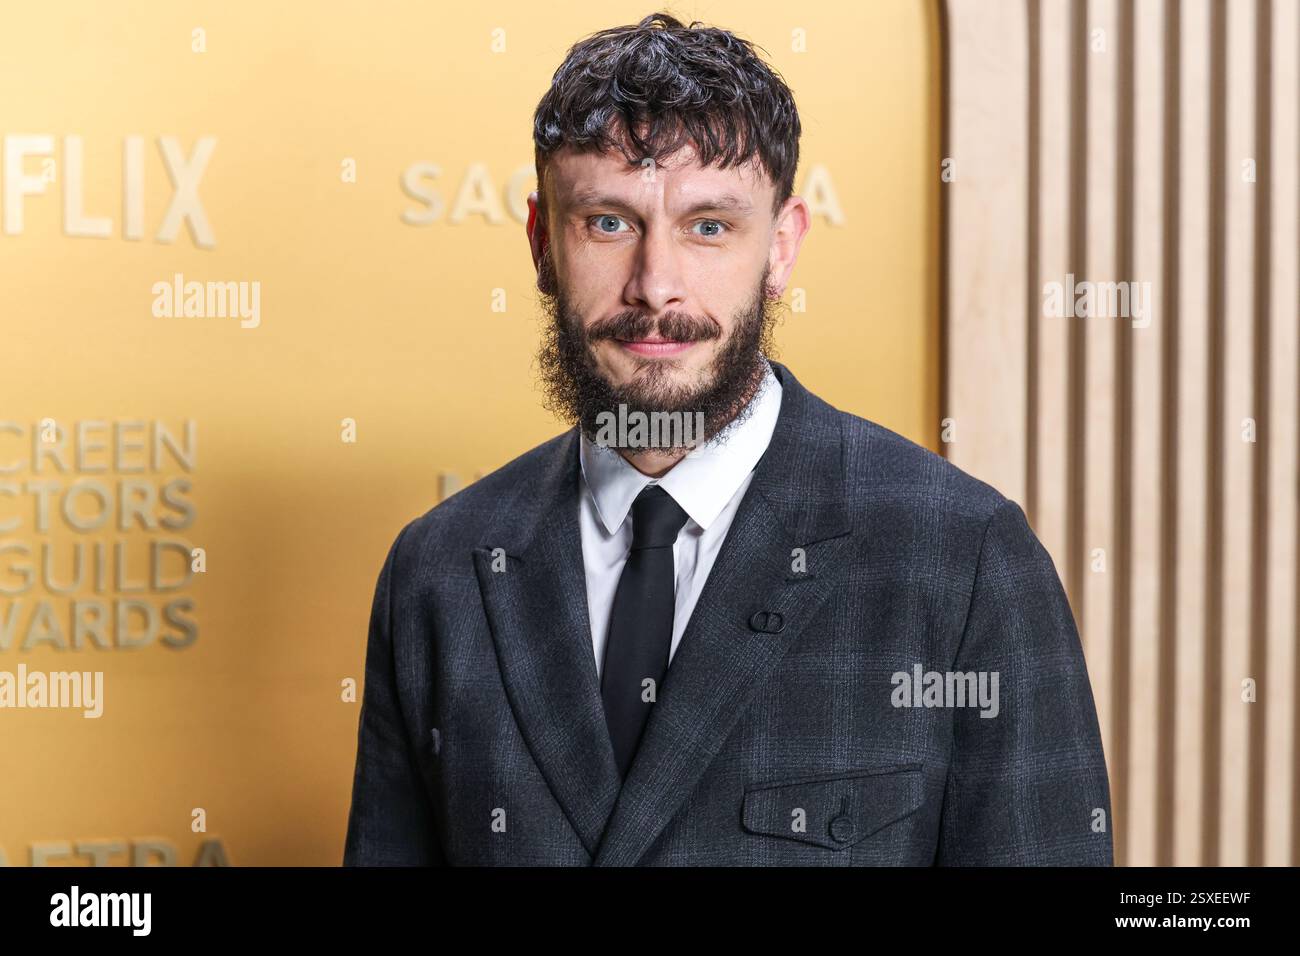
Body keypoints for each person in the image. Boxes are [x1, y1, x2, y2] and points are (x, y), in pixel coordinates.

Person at [343, 11, 1112, 866]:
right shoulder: (440, 569)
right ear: (541, 242)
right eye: (607, 222)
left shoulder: (961, 558)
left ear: (780, 247)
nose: (656, 286)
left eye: (710, 226)